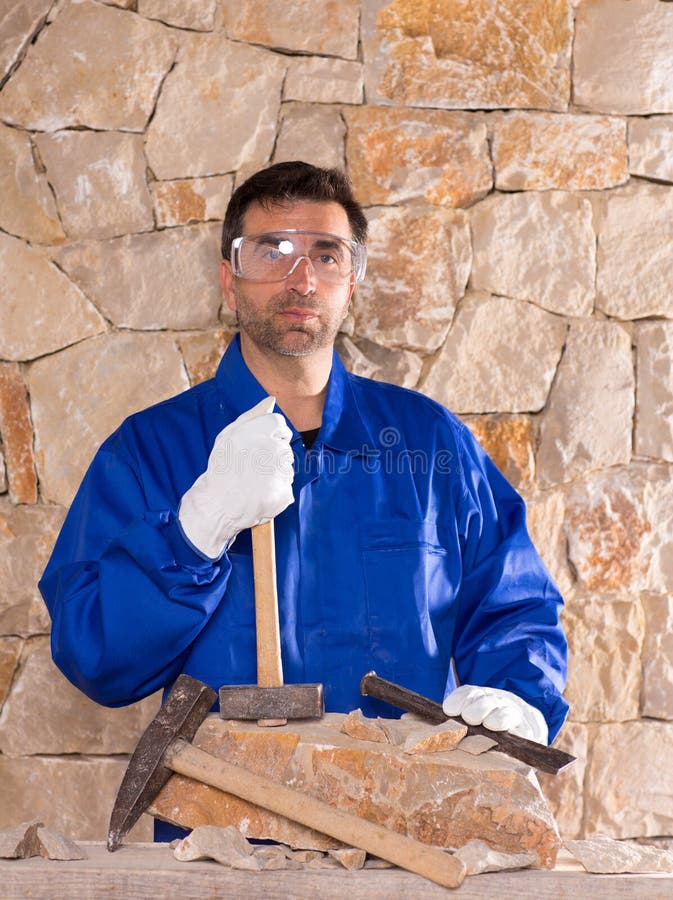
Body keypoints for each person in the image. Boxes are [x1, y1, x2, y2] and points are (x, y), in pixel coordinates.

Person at [40, 160, 568, 768]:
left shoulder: (431, 446)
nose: (302, 278)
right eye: (272, 251)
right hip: (225, 816)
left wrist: (519, 700)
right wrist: (193, 533)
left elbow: (514, 606)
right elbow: (95, 657)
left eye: (326, 254)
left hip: (403, 810)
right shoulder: (148, 452)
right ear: (229, 280)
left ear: (351, 282)